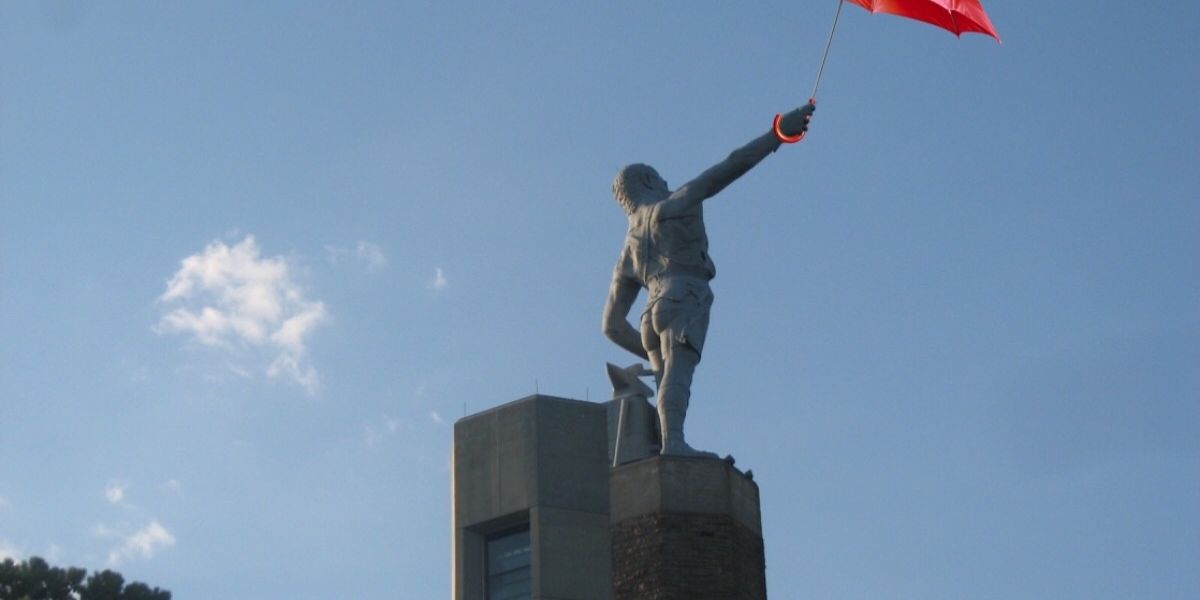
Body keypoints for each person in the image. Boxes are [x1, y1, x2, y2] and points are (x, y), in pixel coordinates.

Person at [602, 103, 815, 457]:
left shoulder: (628, 250)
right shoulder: (673, 206)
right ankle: (674, 444)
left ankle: (672, 441)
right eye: (661, 178)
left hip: (649, 314)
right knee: (678, 377)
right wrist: (777, 134)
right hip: (685, 295)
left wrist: (645, 349)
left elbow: (610, 324)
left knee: (668, 376)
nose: (668, 183)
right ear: (648, 183)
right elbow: (729, 167)